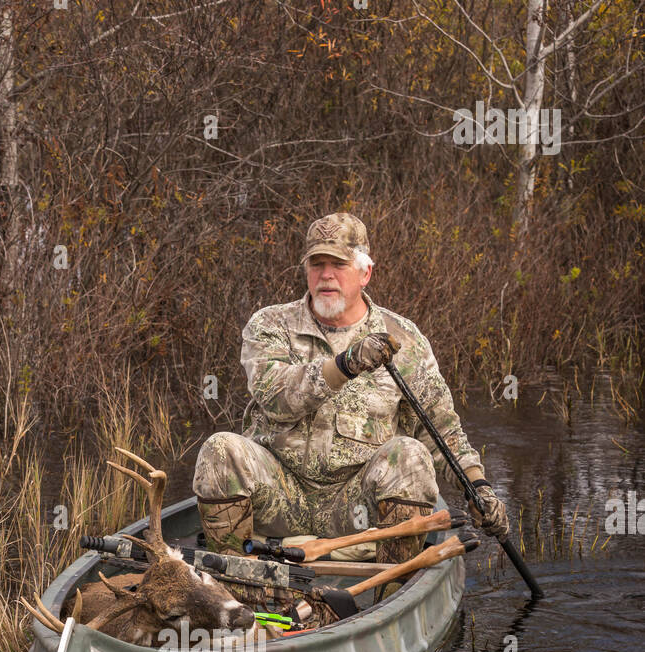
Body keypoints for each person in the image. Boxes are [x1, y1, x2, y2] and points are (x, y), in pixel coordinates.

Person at [193, 212, 509, 566]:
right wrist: (345, 365)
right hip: (279, 498)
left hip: (356, 507)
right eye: (317, 264)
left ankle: (391, 599)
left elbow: (440, 430)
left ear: (365, 273)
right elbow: (276, 398)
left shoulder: (403, 338)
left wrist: (477, 486)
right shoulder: (270, 325)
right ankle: (235, 586)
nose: (326, 275)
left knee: (410, 455)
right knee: (220, 449)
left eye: (338, 264)